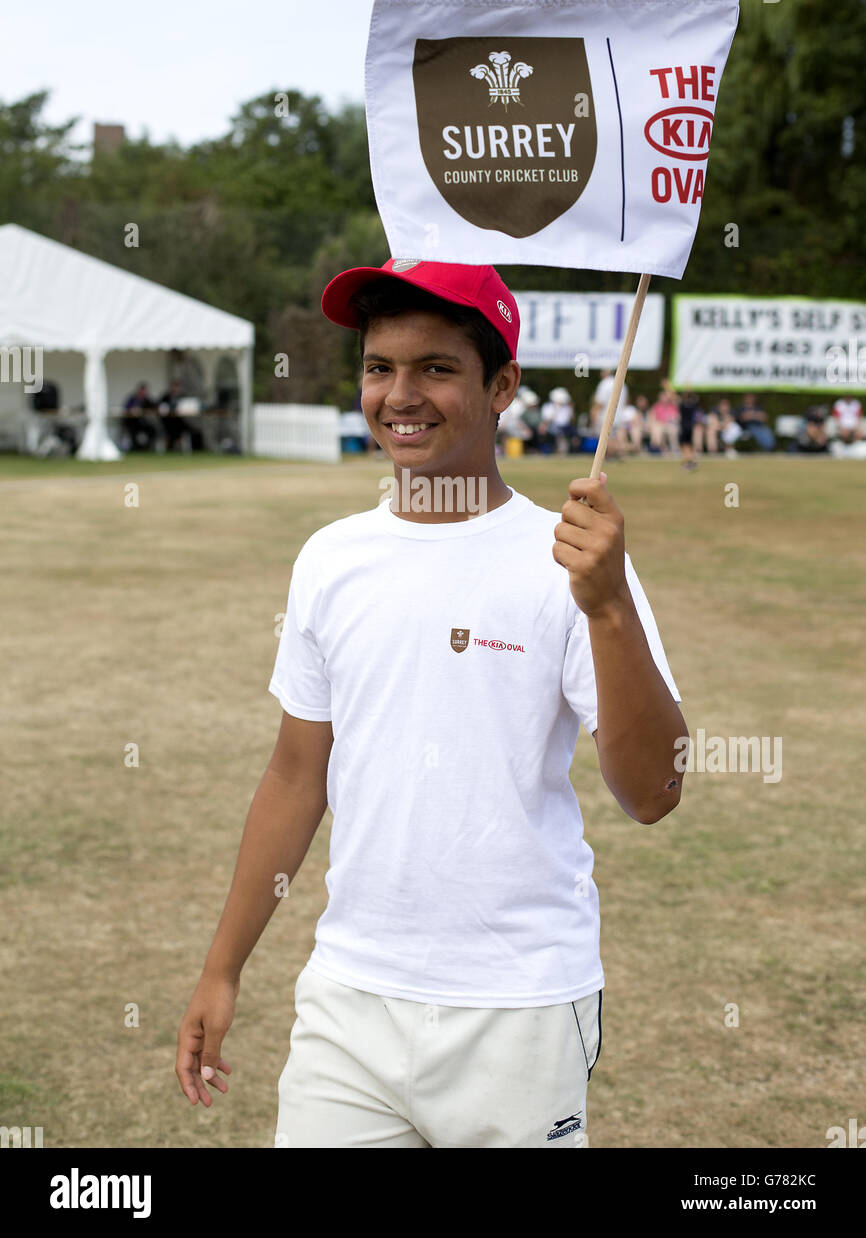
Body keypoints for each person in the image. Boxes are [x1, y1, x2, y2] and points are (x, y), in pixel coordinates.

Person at [175, 258, 686, 1149]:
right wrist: (223, 970)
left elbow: (653, 792)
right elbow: (298, 778)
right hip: (349, 1001)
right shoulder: (332, 559)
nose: (399, 395)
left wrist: (604, 604)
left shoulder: (569, 558)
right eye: (380, 367)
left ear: (502, 386)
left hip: (518, 1007)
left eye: (436, 368)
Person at [122, 382, 158, 451]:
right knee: (133, 432)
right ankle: (134, 448)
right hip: (131, 421)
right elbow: (126, 408)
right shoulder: (133, 398)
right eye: (142, 391)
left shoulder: (146, 399)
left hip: (142, 422)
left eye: (145, 391)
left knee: (153, 430)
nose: (143, 393)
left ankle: (148, 447)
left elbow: (155, 406)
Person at [677, 390, 701, 471]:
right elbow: (695, 398)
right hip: (690, 427)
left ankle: (687, 462)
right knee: (689, 445)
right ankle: (690, 461)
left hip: (684, 427)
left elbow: (675, 397)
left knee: (684, 446)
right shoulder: (693, 405)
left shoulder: (682, 405)